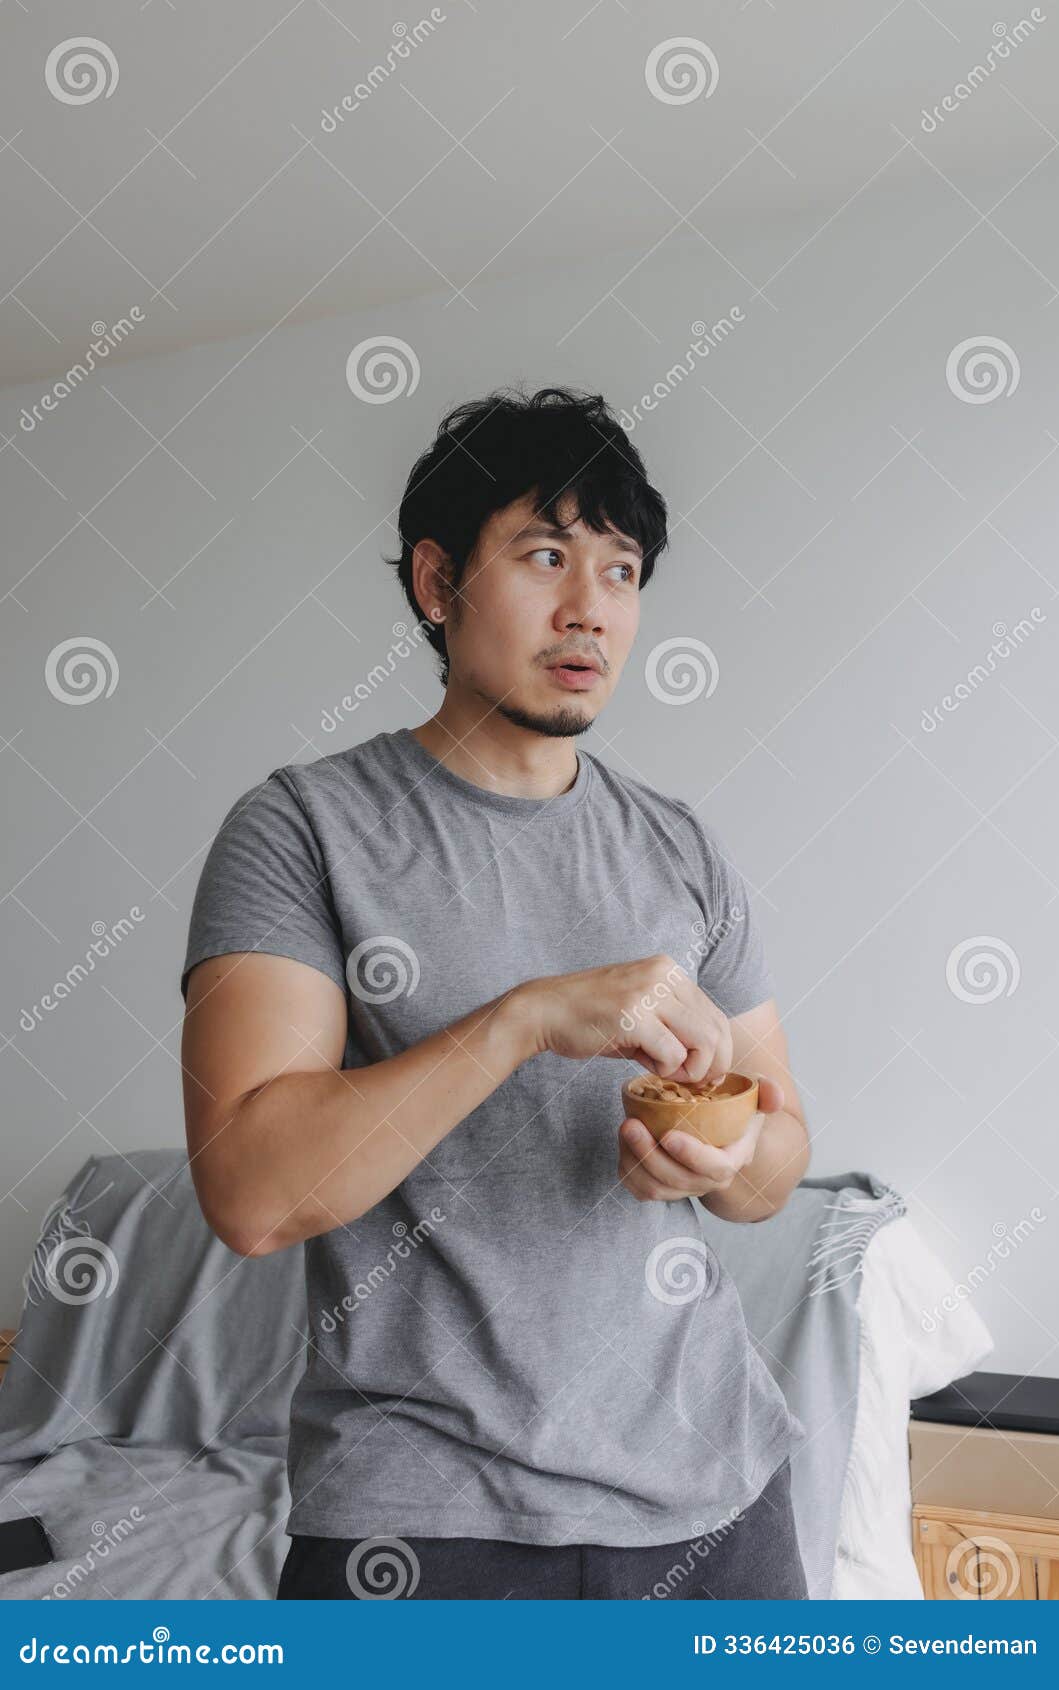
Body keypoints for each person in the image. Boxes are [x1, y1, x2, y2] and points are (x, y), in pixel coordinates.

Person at [179, 386, 811, 1601]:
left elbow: (780, 1146)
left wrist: (724, 1160)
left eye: (619, 571)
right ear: (436, 581)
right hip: (423, 1523)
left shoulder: (681, 848)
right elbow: (252, 1194)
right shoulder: (302, 828)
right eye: (544, 556)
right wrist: (520, 1021)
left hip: (717, 1499)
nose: (590, 609)